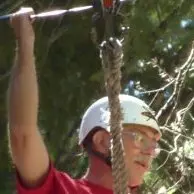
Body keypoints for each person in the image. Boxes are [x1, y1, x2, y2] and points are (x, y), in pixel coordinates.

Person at [7, 7, 161, 194]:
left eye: (154, 144)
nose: (150, 152)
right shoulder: (62, 189)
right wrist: (25, 42)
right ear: (103, 140)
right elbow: (22, 134)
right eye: (140, 139)